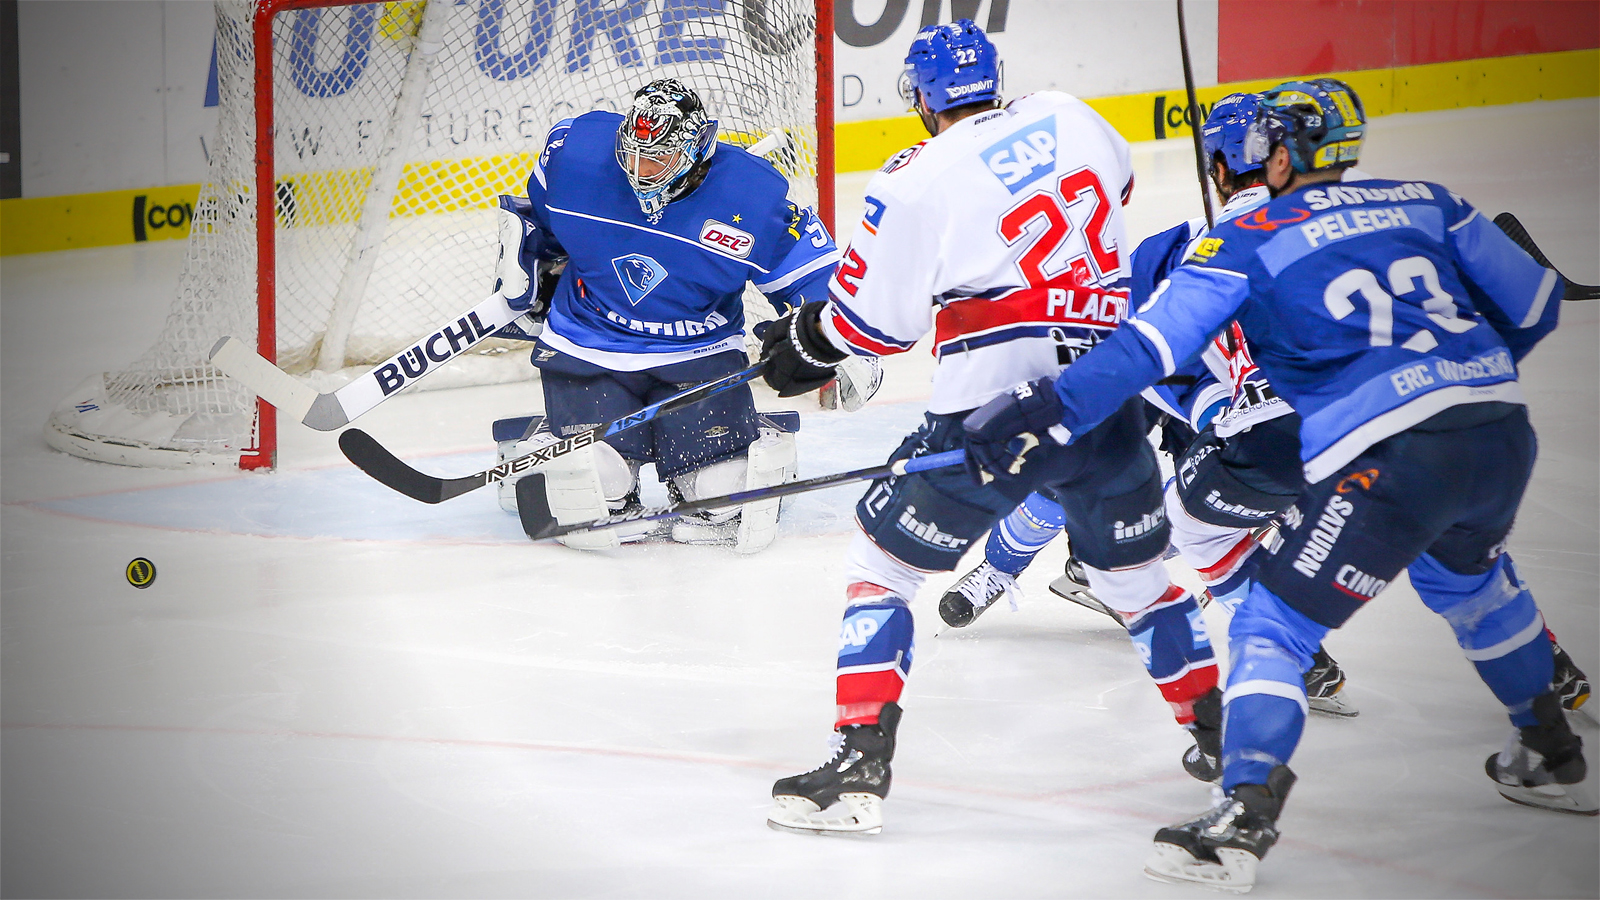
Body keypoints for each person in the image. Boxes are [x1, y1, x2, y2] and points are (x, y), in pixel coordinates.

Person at [962, 79, 1595, 891]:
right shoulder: (1430, 201)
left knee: (1272, 627)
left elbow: (1147, 347)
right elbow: (1539, 304)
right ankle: (1548, 749)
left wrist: (1048, 410)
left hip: (1388, 458)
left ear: (1280, 153)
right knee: (1469, 584)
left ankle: (1243, 817)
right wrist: (1457, 379)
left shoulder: (1251, 237)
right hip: (1500, 432)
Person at [756, 20, 1219, 836]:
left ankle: (858, 766)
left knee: (883, 564)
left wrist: (806, 341)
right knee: (1137, 580)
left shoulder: (914, 178)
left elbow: (875, 329)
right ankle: (1223, 741)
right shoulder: (1074, 115)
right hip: (1102, 393)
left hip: (989, 407)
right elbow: (1109, 202)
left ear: (921, 102)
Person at [938, 96, 1362, 743]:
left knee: (1173, 521)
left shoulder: (1200, 246)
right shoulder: (1326, 235)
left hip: (1247, 424)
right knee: (1093, 470)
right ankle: (1014, 565)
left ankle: (1100, 567)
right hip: (1242, 413)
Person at [490, 78, 868, 553]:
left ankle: (739, 448)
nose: (638, 170)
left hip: (699, 357)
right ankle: (570, 440)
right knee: (593, 484)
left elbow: (811, 277)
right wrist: (528, 269)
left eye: (657, 159)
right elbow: (539, 221)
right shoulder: (576, 157)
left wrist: (844, 340)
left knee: (719, 493)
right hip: (588, 344)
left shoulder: (749, 200)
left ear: (694, 151)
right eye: (630, 154)